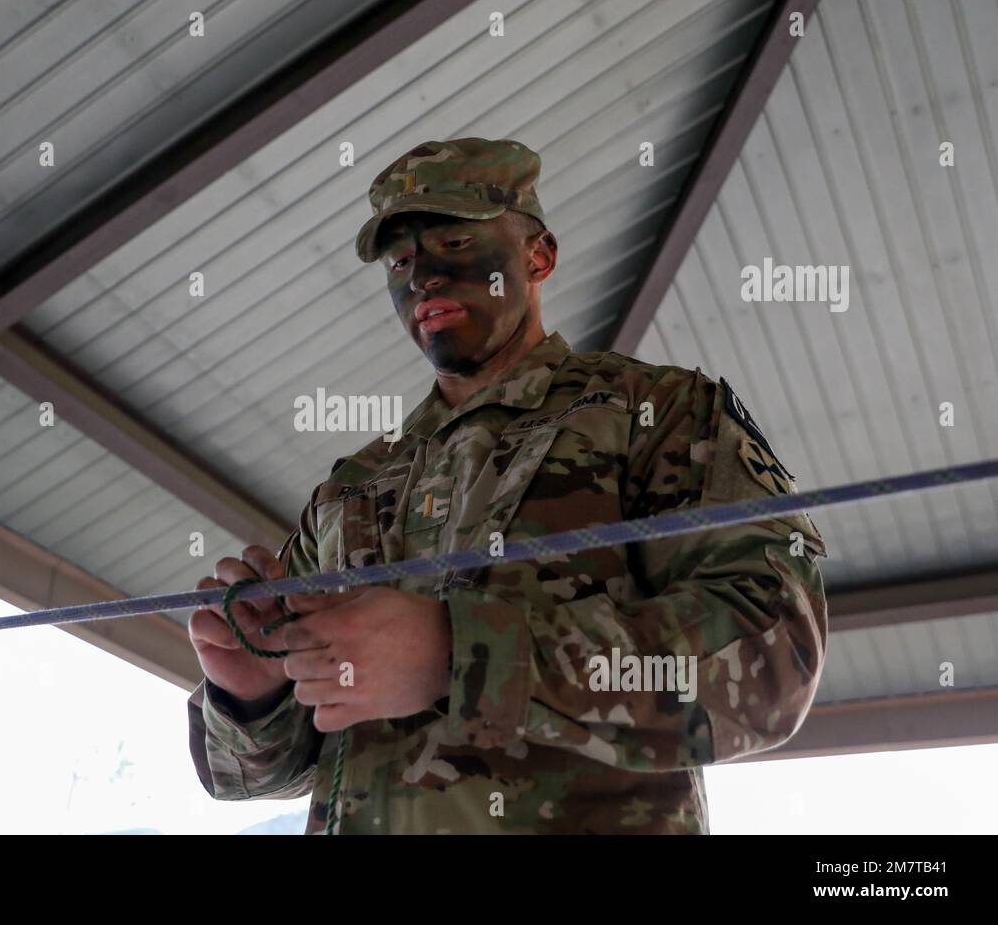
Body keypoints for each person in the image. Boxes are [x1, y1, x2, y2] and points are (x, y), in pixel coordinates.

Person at [186, 137, 828, 834]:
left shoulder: (655, 414)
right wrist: (251, 695)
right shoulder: (352, 489)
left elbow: (771, 659)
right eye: (401, 262)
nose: (423, 279)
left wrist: (461, 655)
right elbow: (256, 774)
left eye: (456, 243)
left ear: (538, 256)